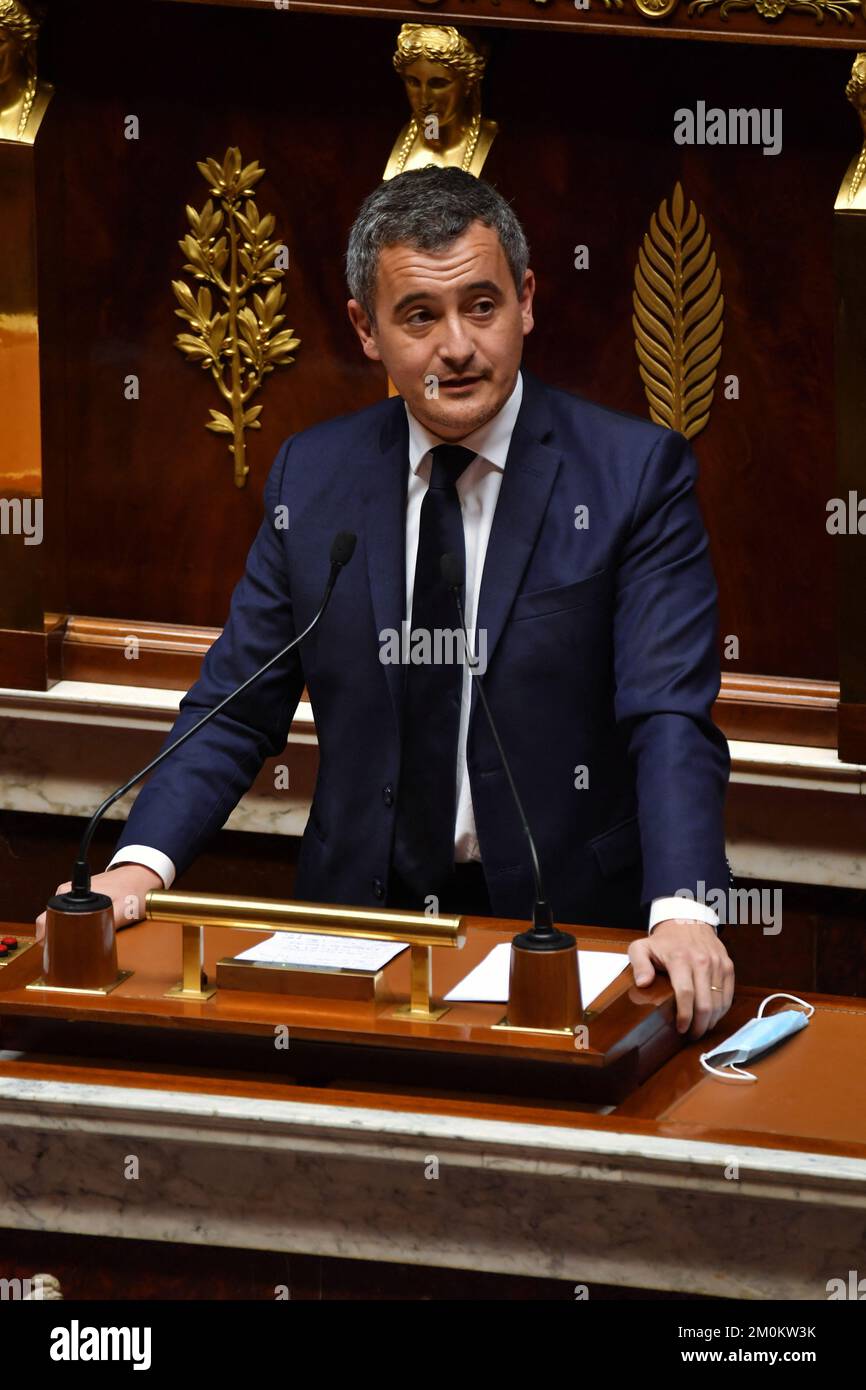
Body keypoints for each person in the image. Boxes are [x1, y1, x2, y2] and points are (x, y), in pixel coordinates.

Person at [40, 166, 735, 1038]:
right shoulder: (315, 476)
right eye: (420, 316)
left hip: (567, 928)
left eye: (482, 306)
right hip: (357, 928)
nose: (458, 347)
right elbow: (236, 704)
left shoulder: (634, 476)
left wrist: (685, 907)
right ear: (366, 330)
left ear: (526, 299)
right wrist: (139, 867)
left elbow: (668, 713)